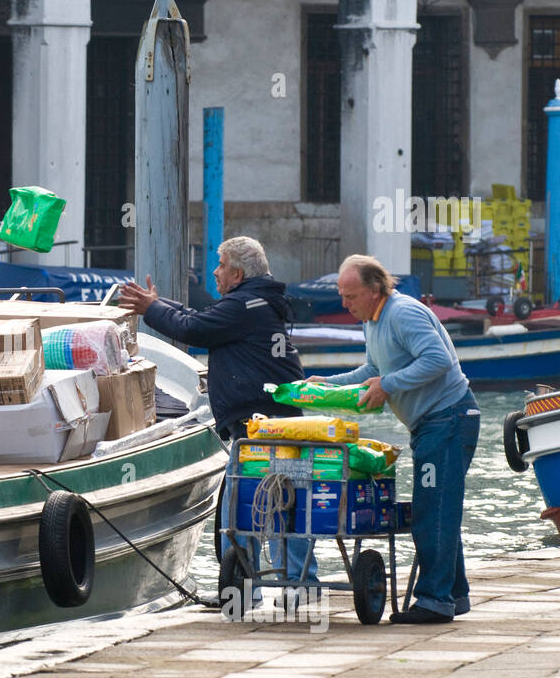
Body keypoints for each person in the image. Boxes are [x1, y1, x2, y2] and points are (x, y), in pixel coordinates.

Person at [118, 236, 315, 588]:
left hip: (260, 428)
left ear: (237, 273)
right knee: (283, 507)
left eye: (221, 265)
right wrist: (156, 302)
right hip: (272, 423)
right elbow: (202, 318)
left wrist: (151, 308)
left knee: (242, 512)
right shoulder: (254, 302)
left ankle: (248, 591)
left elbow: (193, 328)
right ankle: (297, 586)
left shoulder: (246, 306)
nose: (215, 271)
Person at [311, 254, 479, 624]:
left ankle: (434, 601)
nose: (344, 303)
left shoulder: (403, 312)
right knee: (439, 509)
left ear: (374, 290)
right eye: (341, 295)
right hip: (429, 423)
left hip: (449, 418)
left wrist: (389, 385)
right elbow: (373, 370)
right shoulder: (373, 321)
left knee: (431, 511)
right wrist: (327, 384)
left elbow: (438, 360)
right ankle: (454, 594)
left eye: (350, 296)